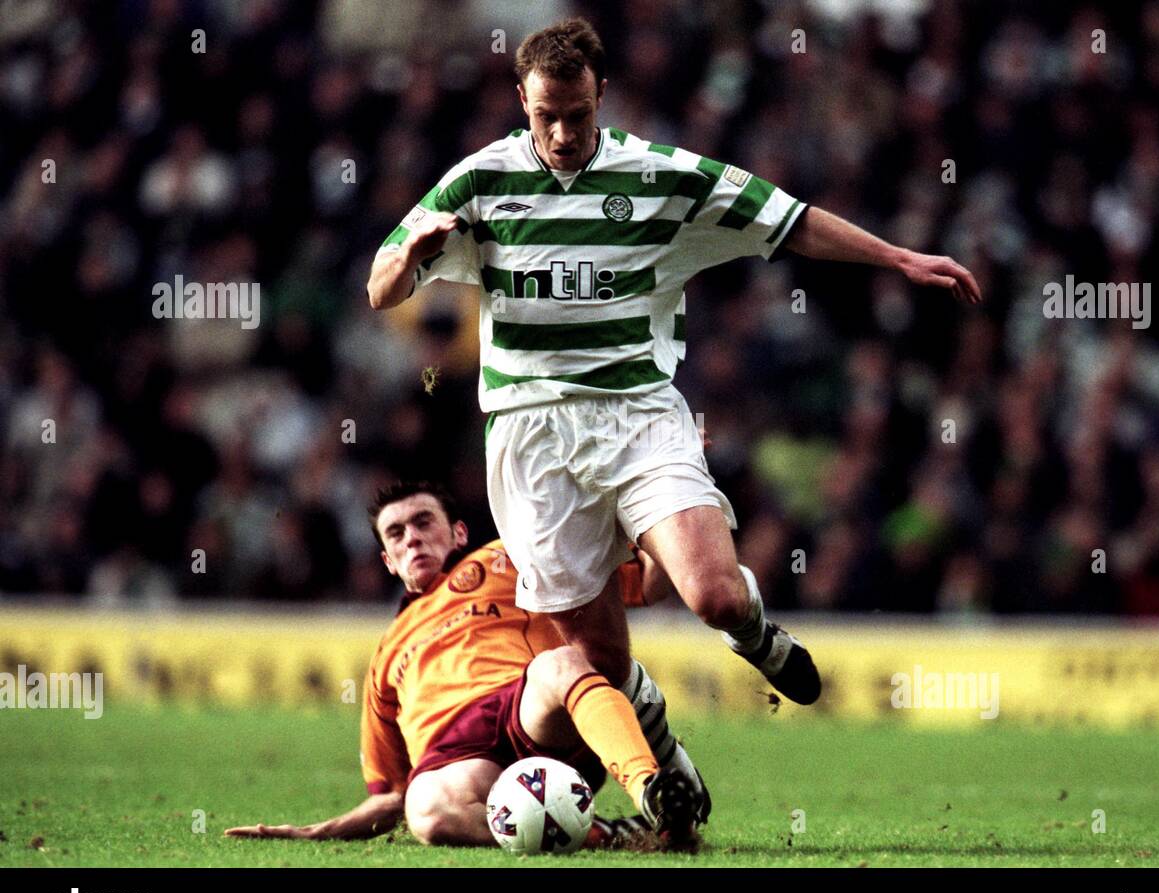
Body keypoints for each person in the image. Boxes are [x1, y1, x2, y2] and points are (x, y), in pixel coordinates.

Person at [367, 19, 981, 745]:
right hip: (529, 432)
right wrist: (414, 257)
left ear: (603, 94)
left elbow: (787, 220)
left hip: (637, 413)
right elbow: (380, 289)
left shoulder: (663, 176)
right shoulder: (477, 181)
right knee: (600, 660)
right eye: (545, 117)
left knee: (712, 595)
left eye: (578, 115)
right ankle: (671, 778)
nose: (562, 133)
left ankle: (753, 631)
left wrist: (898, 259)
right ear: (520, 100)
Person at [225, 480, 700, 849]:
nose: (411, 538)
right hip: (459, 761)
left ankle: (653, 791)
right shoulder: (386, 654)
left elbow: (648, 584)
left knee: (563, 663)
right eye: (396, 533)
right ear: (388, 561)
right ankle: (608, 835)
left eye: (423, 522)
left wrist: (667, 497)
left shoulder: (509, 557)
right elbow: (390, 793)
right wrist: (314, 833)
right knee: (425, 809)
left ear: (458, 532)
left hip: (528, 711)